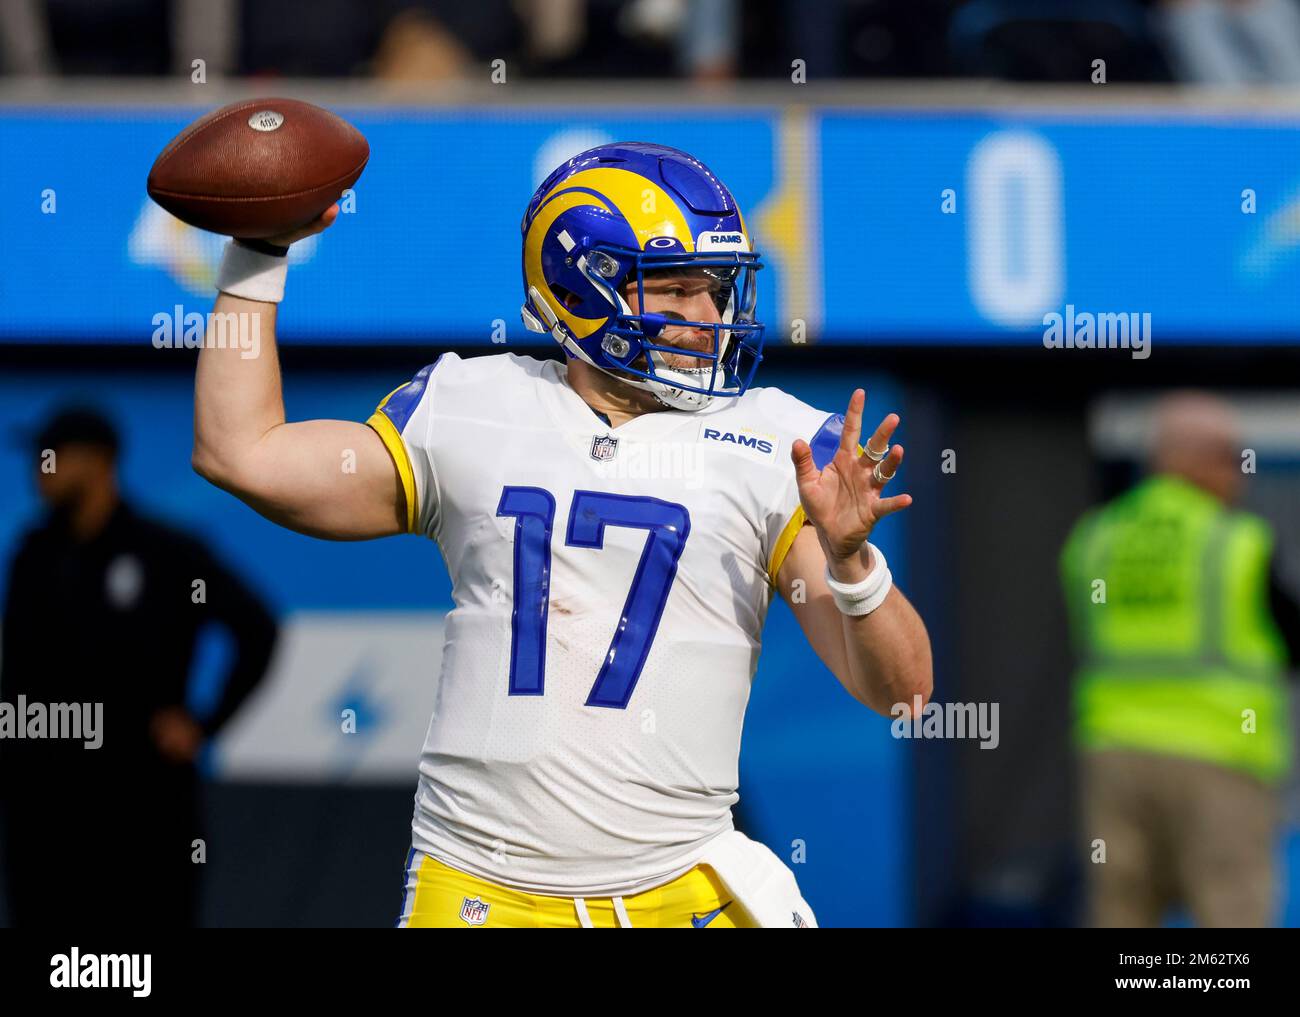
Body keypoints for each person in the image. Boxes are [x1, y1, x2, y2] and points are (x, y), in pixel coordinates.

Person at [192, 142, 933, 928]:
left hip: (682, 886)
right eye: (676, 290)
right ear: (584, 289)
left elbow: (905, 691)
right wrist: (256, 256)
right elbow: (243, 453)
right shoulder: (472, 405)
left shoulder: (771, 439)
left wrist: (852, 560)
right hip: (478, 885)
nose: (709, 318)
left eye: (716, 291)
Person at [0, 407, 278, 928]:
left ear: (99, 461)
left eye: (52, 457)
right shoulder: (32, 558)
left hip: (145, 816)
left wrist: (204, 724)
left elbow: (257, 629)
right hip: (44, 819)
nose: (39, 471)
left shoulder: (166, 554)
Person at [1061, 391, 1300, 928]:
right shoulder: (1236, 540)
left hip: (1113, 754)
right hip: (1218, 754)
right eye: (1233, 457)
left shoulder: (1096, 537)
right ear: (1203, 459)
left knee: (1120, 913)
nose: (1241, 474)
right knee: (1230, 918)